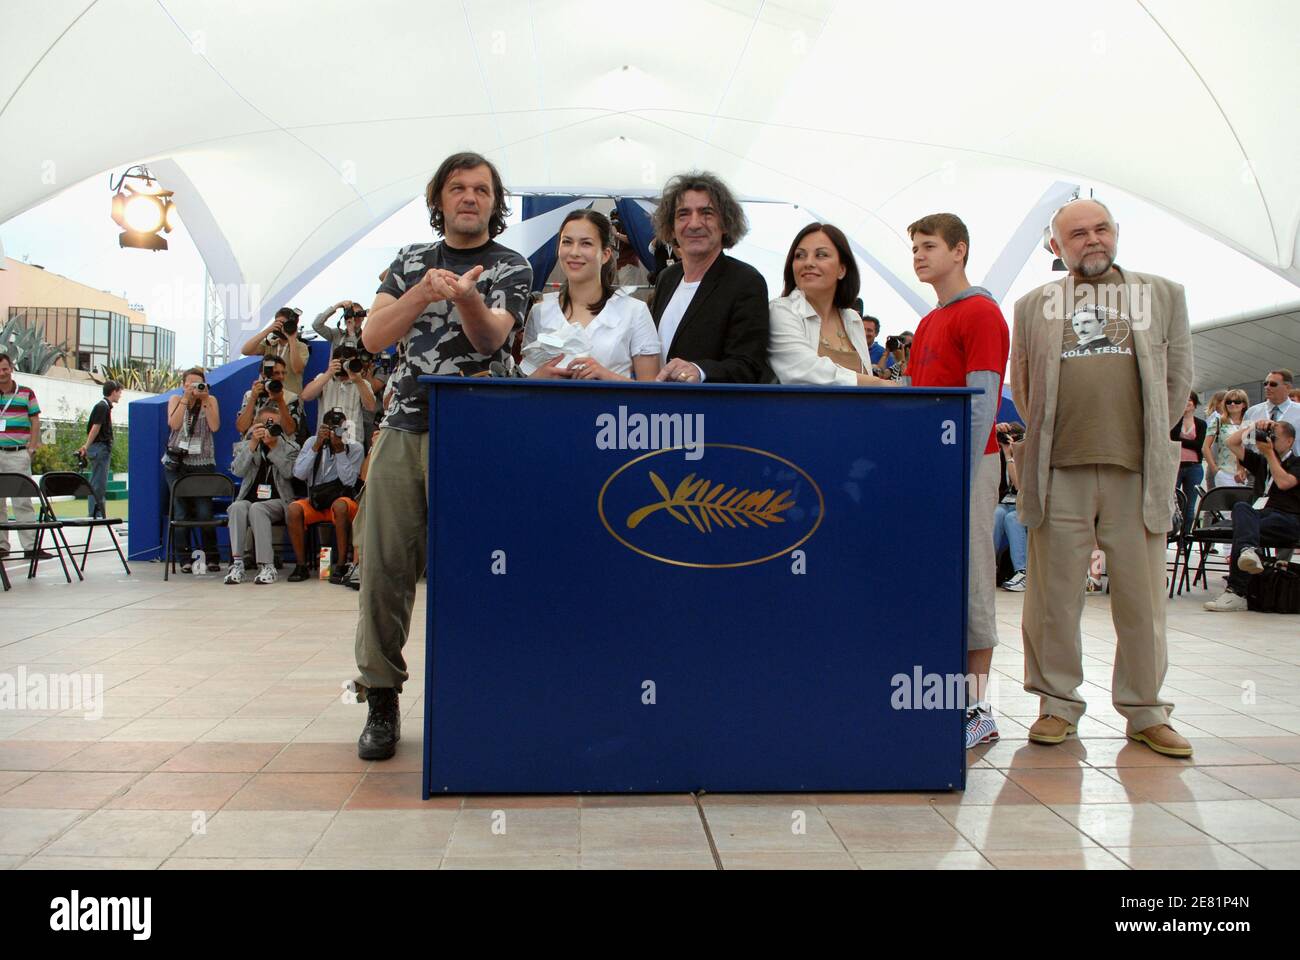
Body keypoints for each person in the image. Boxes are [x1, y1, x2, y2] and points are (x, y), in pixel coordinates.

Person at [352, 150, 532, 760]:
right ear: (439, 199)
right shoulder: (407, 262)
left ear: (494, 202)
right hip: (406, 427)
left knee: (488, 569)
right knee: (384, 568)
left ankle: (484, 696)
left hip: (483, 434)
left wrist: (464, 299)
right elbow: (373, 336)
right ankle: (380, 698)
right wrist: (423, 294)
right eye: (458, 188)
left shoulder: (512, 266)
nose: (469, 198)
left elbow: (491, 336)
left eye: (481, 190)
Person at [1010, 197, 1194, 758]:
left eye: (1101, 229)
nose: (1092, 240)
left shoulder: (1161, 295)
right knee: (1053, 597)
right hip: (1059, 466)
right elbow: (1023, 388)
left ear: (1115, 234)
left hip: (1135, 468)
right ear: (1056, 246)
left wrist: (1146, 433)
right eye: (1077, 234)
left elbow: (1178, 376)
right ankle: (1056, 705)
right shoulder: (1033, 305)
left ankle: (1145, 711)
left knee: (1141, 600)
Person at [901, 213, 1009, 749]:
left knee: (971, 575)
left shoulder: (982, 313)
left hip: (968, 463)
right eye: (914, 247)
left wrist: (955, 473)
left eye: (928, 246)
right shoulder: (928, 322)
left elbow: (982, 403)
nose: (918, 255)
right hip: (932, 466)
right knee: (937, 576)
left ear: (959, 250)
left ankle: (978, 706)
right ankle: (945, 697)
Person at [648, 171, 769, 384]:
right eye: (683, 214)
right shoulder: (667, 278)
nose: (694, 224)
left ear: (725, 224)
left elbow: (749, 365)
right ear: (672, 227)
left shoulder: (746, 282)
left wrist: (699, 370)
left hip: (710, 413)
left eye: (706, 213)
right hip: (660, 412)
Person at [525, 210, 662, 382]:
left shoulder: (634, 311)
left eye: (586, 244)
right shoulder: (540, 311)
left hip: (613, 409)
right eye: (567, 242)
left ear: (605, 255)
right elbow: (525, 379)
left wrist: (606, 376)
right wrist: (538, 377)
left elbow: (651, 393)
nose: (574, 252)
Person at [1204, 420, 1300, 611]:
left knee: (1244, 529)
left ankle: (1236, 592)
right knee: (1241, 507)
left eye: (1274, 437)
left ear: (1289, 441)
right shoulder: (1262, 461)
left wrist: (1269, 453)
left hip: (1289, 520)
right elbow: (1232, 443)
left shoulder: (1297, 462)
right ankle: (1249, 551)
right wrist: (1254, 427)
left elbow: (1283, 483)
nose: (1269, 440)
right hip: (1261, 517)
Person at [768, 223, 875, 385]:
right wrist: (878, 383)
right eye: (800, 256)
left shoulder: (853, 318)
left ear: (842, 270)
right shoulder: (781, 310)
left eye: (821, 255)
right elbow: (803, 371)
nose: (808, 263)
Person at [223, 405, 300, 585]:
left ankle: (267, 565)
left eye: (275, 424)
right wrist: (252, 445)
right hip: (250, 500)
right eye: (266, 424)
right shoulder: (244, 446)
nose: (270, 428)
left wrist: (273, 448)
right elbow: (238, 471)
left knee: (258, 508)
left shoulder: (290, 447)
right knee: (236, 507)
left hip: (279, 501)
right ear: (256, 425)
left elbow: (289, 473)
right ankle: (237, 564)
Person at [285, 413, 363, 583]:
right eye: (331, 428)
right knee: (293, 509)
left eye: (339, 428)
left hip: (342, 500)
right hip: (316, 500)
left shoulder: (355, 447)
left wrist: (340, 451)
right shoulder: (312, 442)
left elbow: (349, 481)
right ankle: (301, 565)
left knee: (340, 506)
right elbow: (298, 474)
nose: (335, 432)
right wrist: (316, 447)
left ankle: (341, 564)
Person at [162, 368, 221, 572]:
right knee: (180, 511)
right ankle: (185, 559)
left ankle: (212, 557)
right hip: (177, 464)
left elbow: (215, 427)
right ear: (183, 385)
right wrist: (186, 398)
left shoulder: (210, 400)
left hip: (202, 462)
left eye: (199, 384)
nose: (195, 388)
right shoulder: (176, 399)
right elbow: (174, 424)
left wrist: (204, 400)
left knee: (205, 511)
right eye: (190, 384)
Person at [0, 352, 47, 561]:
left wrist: (32, 447)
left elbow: (35, 420)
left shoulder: (26, 392)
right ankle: (2, 546)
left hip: (18, 453)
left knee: (22, 500)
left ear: (11, 368)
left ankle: (31, 546)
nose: (2, 373)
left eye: (5, 369)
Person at [299, 349, 377, 442]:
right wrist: (328, 373)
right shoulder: (324, 378)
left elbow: (371, 407)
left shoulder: (362, 383)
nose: (346, 366)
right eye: (343, 361)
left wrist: (359, 381)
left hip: (352, 441)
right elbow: (305, 396)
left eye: (350, 362)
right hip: (325, 439)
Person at [78, 379, 123, 519]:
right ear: (113, 392)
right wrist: (86, 446)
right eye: (119, 392)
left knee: (99, 482)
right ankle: (95, 513)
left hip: (100, 447)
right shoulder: (102, 407)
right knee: (98, 483)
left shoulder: (104, 407)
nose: (120, 395)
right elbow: (95, 428)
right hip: (100, 448)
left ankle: (97, 512)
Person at [240, 306, 310, 395]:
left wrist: (291, 339)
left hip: (289, 398)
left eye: (283, 323)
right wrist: (268, 330)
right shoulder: (270, 344)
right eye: (277, 322)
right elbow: (245, 351)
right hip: (267, 395)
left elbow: (297, 369)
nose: (280, 326)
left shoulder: (301, 346)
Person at [994, 423, 1028, 591]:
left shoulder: (1025, 456)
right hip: (1004, 504)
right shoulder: (999, 456)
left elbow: (1019, 486)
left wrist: (1011, 456)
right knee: (997, 514)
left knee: (1012, 518)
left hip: (1023, 505)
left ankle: (1023, 572)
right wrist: (994, 433)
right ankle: (988, 566)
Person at [234, 356, 301, 439]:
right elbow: (241, 427)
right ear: (263, 374)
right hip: (253, 446)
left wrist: (280, 401)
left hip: (280, 448)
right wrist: (253, 398)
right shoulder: (249, 395)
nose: (281, 377)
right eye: (276, 373)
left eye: (283, 373)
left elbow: (289, 430)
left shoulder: (291, 397)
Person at [1172, 392, 1207, 537]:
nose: (1187, 403)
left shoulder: (1200, 423)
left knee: (1190, 503)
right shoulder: (1175, 420)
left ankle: (1185, 535)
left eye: (1190, 400)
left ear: (1194, 403)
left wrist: (1181, 441)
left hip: (1193, 466)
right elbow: (1172, 438)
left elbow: (1199, 445)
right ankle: (1172, 532)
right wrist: (1186, 442)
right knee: (1174, 500)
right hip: (1176, 464)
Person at [1204, 389, 1251, 489]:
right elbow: (1205, 447)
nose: (1232, 404)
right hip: (1224, 472)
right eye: (1228, 402)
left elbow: (1250, 448)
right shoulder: (1218, 421)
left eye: (1237, 401)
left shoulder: (1249, 423)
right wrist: (1214, 469)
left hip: (1245, 473)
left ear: (1244, 404)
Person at [1243, 370, 1300, 448]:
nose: (1267, 387)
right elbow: (1244, 444)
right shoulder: (1251, 412)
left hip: (1291, 459)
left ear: (1287, 387)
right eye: (1265, 384)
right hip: (1257, 459)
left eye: (1273, 384)